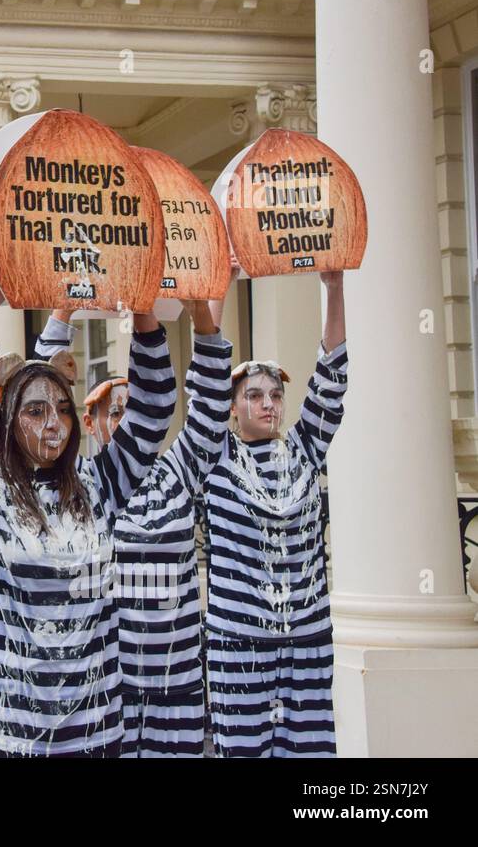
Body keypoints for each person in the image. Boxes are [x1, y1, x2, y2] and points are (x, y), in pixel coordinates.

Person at [0, 271, 175, 756]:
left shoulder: (100, 484)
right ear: (7, 420)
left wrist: (141, 303)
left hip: (93, 731)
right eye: (35, 411)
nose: (53, 423)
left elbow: (154, 410)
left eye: (62, 408)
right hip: (3, 729)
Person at [34, 302, 233, 756]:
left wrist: (201, 308)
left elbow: (211, 405)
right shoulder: (82, 486)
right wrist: (62, 309)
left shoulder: (179, 471)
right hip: (106, 687)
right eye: (116, 412)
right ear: (91, 422)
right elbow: (39, 389)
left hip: (176, 684)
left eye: (133, 410)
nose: (127, 421)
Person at [202, 270, 347, 757]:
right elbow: (203, 384)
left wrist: (334, 289)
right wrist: (214, 286)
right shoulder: (216, 459)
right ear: (232, 408)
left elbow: (331, 384)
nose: (268, 404)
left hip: (306, 640)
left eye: (276, 395)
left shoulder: (303, 450)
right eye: (254, 395)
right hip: (238, 644)